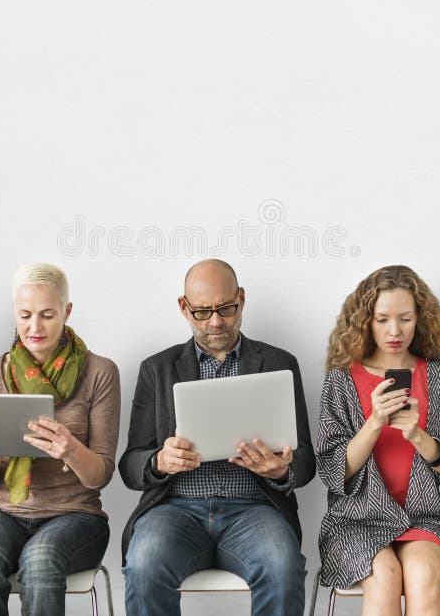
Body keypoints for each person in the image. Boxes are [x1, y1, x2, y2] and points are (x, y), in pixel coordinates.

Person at [119, 259, 315, 616]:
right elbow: (130, 464)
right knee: (144, 564)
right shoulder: (157, 369)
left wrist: (280, 472)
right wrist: (159, 462)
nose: (215, 321)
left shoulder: (278, 363)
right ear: (183, 307)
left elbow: (305, 462)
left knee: (282, 566)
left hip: (256, 510)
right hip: (173, 510)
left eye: (226, 308)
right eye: (202, 312)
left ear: (241, 299)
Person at [316, 265, 440, 616]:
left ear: (420, 318)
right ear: (365, 320)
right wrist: (376, 421)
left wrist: (419, 436)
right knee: (385, 574)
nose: (394, 331)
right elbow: (334, 471)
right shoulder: (342, 380)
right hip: (354, 521)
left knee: (423, 573)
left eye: (405, 319)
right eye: (382, 320)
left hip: (423, 518)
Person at [0, 262, 120, 616]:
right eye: (25, 315)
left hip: (75, 515)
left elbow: (100, 475)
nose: (34, 327)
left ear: (67, 311)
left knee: (41, 559)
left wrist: (71, 449)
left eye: (47, 314)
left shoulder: (99, 372)